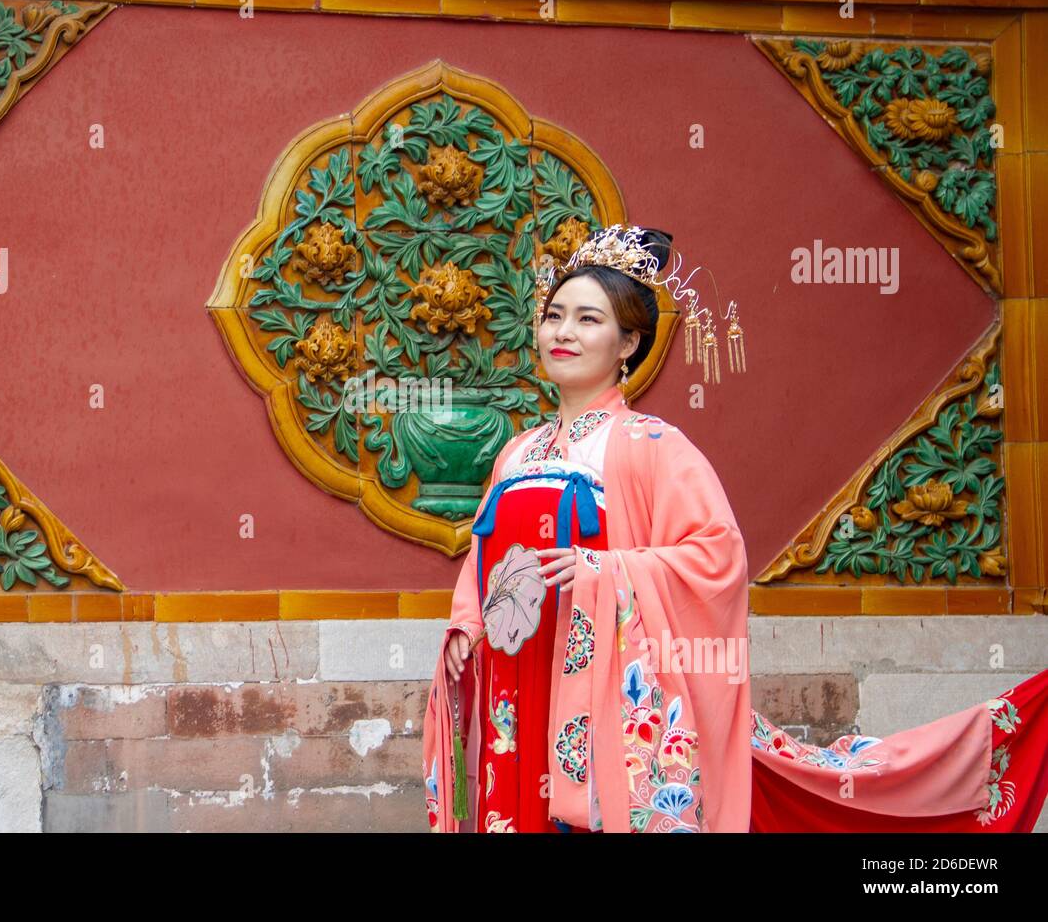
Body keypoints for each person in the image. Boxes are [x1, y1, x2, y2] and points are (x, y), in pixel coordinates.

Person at [421, 224, 1048, 833]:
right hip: (519, 684)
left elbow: (717, 558)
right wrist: (466, 625)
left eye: (589, 319)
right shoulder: (517, 453)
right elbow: (486, 560)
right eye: (555, 315)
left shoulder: (653, 447)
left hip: (597, 697)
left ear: (628, 344)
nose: (563, 332)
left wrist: (605, 572)